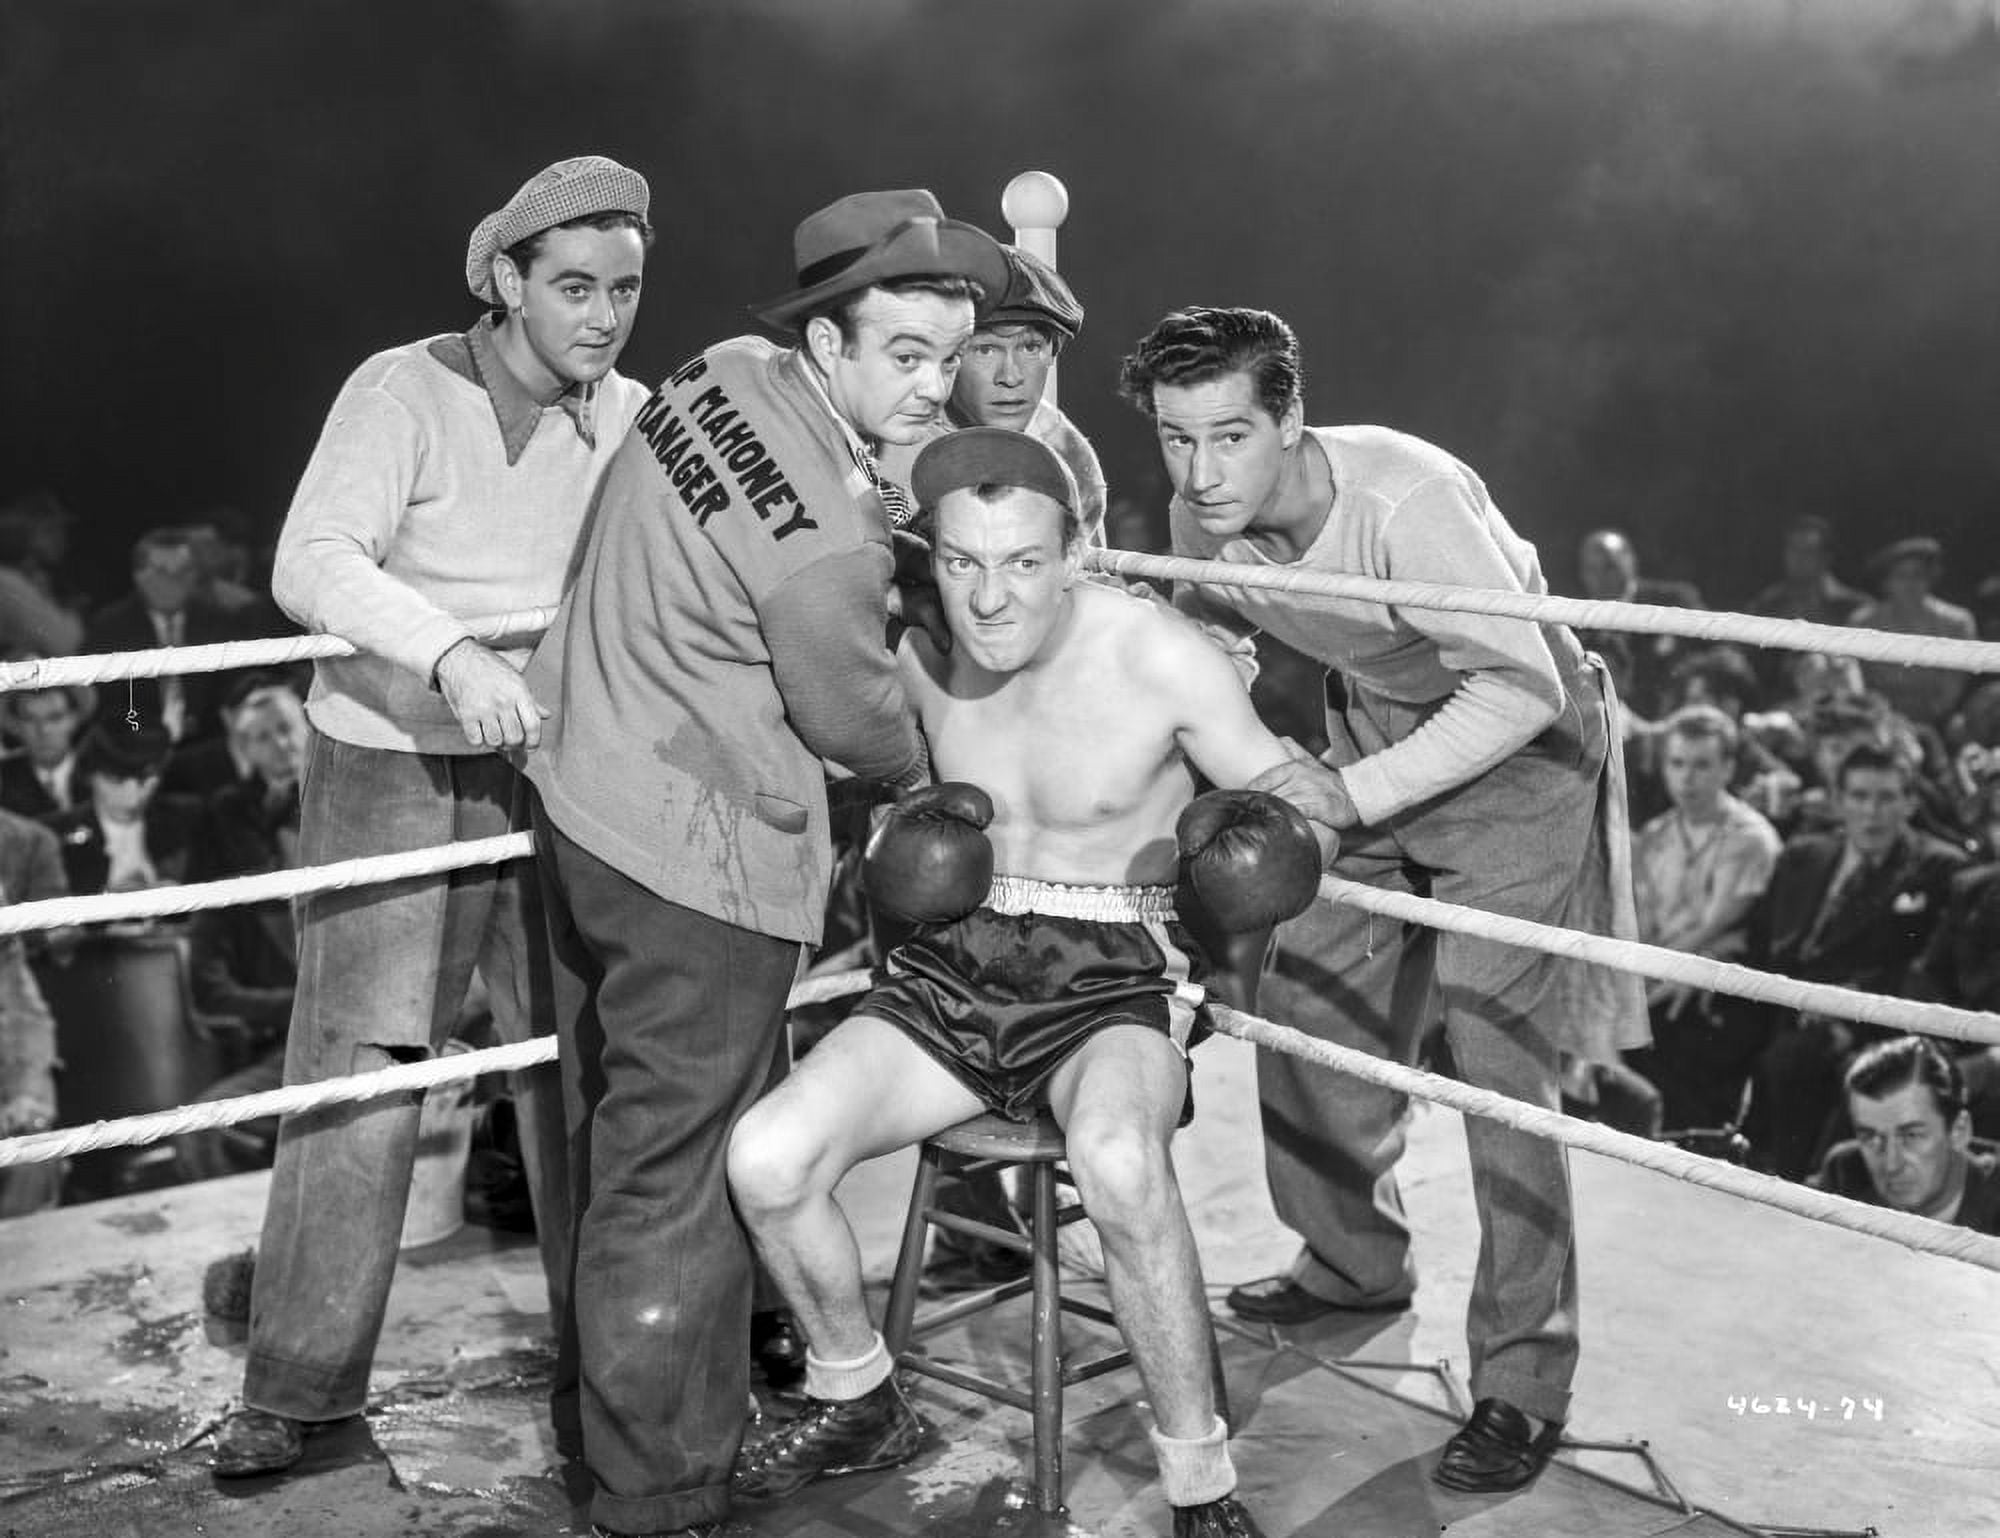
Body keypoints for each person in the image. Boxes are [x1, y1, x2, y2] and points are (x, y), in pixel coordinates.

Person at [726, 428, 1337, 1538]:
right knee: (765, 1159)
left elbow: (1303, 796)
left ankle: (1199, 1485)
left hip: (1112, 982)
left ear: (1075, 552)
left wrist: (1277, 846)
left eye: (1020, 562)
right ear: (933, 557)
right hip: (951, 971)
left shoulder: (1159, 656)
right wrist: (882, 848)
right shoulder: (910, 654)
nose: (991, 596)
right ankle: (855, 1391)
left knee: (1114, 1155)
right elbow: (812, 770)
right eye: (963, 563)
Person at [517, 187, 1006, 1538]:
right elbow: (856, 719)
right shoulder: (831, 541)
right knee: (674, 1175)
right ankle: (659, 1490)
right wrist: (943, 777)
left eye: (947, 355)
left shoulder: (712, 374)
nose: (934, 385)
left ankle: (608, 1422)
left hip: (582, 797)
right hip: (697, 852)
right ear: (830, 344)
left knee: (612, 1140)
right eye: (902, 354)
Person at [1118, 305, 1647, 1495]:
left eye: (1230, 436)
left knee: (1494, 1065)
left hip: (1521, 749)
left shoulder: (1402, 501)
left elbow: (1521, 684)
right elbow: (1219, 636)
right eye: (1173, 437)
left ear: (1291, 417)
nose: (1201, 475)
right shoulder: (1195, 515)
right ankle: (1355, 1259)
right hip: (1370, 732)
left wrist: (1342, 796)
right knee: (1299, 986)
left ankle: (1521, 1382)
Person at [209, 154, 655, 1480]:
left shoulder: (627, 412)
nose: (602, 314)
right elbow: (310, 559)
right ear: (503, 280)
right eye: (573, 285)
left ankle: (614, 1359)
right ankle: (296, 1383)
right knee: (361, 1068)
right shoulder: (400, 388)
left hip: (551, 761)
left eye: (626, 288)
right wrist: (453, 653)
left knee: (575, 1060)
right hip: (391, 755)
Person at [1745, 742, 1968, 1179]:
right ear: (1838, 801)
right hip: (1781, 996)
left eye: (1887, 798)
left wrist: (1851, 1005)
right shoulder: (1804, 855)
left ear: (1910, 803)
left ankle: (1793, 1188)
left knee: (1795, 1061)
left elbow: (1928, 970)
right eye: (1860, 797)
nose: (1872, 812)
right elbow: (1761, 939)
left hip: (1861, 1015)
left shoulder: (1938, 867)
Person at [880, 242, 1108, 543]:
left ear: (1054, 351)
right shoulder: (885, 429)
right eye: (986, 349)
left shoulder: (1070, 458)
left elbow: (1079, 576)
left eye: (1030, 347)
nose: (1010, 377)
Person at [1629, 705, 1783, 1134]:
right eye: (1676, 764)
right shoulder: (1656, 834)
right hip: (1661, 974)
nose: (1686, 778)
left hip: (1724, 983)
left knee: (1663, 1033)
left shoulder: (1750, 837)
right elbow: (1644, 923)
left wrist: (1645, 983)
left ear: (1728, 768)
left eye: (1702, 765)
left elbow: (1714, 927)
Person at [1808, 1036, 2000, 1233]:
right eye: (1871, 1137)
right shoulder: (1843, 1173)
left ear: (1959, 1132)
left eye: (1911, 1136)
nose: (1892, 1165)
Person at [84, 528, 243, 747]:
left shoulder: (220, 623)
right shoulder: (109, 628)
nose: (174, 581)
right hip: (136, 746)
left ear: (196, 575)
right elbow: (106, 708)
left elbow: (232, 693)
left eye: (183, 571)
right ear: (139, 576)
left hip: (207, 746)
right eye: (162, 571)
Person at [44, 723, 202, 896]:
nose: (132, 798)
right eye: (115, 781)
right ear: (90, 775)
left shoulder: (189, 818)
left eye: (145, 780)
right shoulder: (53, 835)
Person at [1573, 527, 1707, 723]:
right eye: (1592, 569)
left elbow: (1717, 655)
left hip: (1673, 724)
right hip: (1602, 728)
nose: (1600, 576)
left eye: (1609, 566)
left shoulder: (1674, 602)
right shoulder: (1573, 622)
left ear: (1631, 561)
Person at [1850, 536, 1976, 735]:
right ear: (1886, 583)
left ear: (1930, 579)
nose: (1910, 584)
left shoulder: (1957, 623)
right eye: (1901, 576)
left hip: (1940, 724)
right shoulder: (1862, 623)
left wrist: (1924, 720)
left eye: (1918, 575)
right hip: (1877, 723)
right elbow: (1857, 684)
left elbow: (1951, 692)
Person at [0, 682, 88, 819]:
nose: (43, 730)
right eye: (30, 719)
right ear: (15, 724)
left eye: (55, 718)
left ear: (74, 719)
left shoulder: (100, 772)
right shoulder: (3, 779)